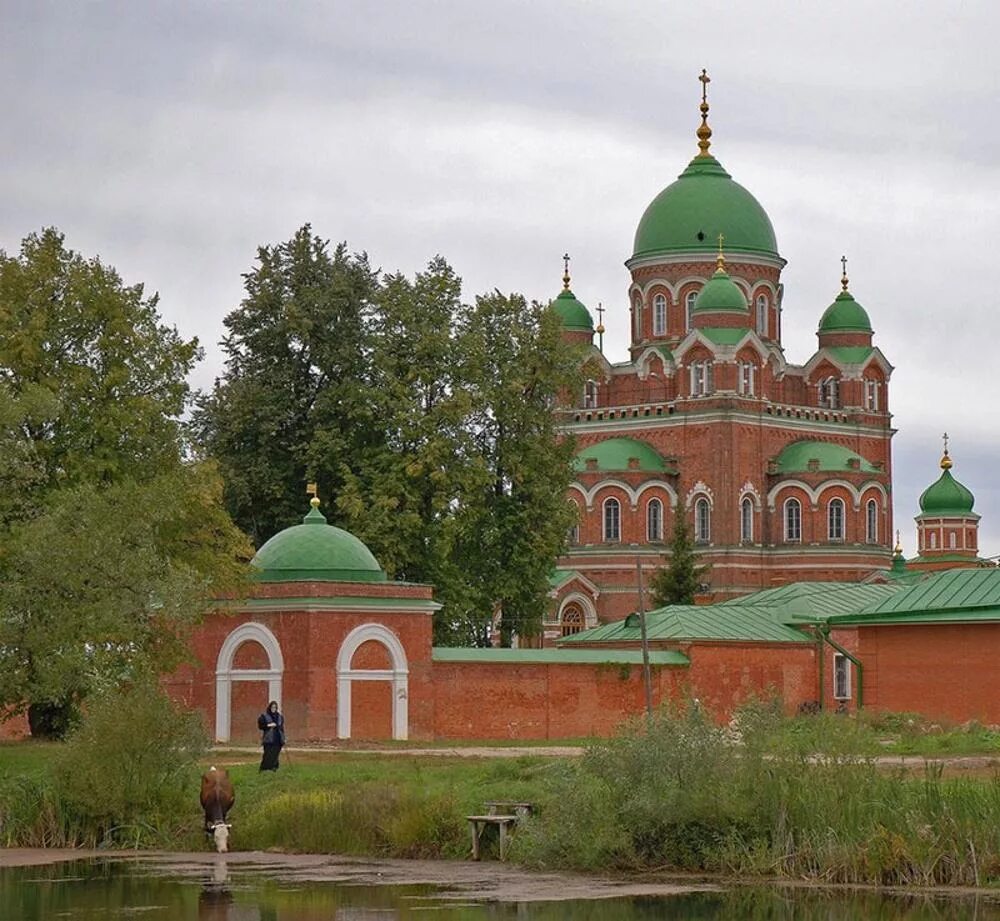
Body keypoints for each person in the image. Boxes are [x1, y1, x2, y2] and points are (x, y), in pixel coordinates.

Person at [257, 700, 285, 771]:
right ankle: (265, 769)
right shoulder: (264, 716)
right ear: (270, 708)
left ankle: (274, 768)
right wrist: (268, 725)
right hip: (269, 739)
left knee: (275, 755)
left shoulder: (280, 717)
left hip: (278, 739)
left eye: (275, 708)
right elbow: (261, 726)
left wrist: (284, 738)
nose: (273, 709)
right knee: (267, 754)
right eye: (272, 707)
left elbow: (282, 728)